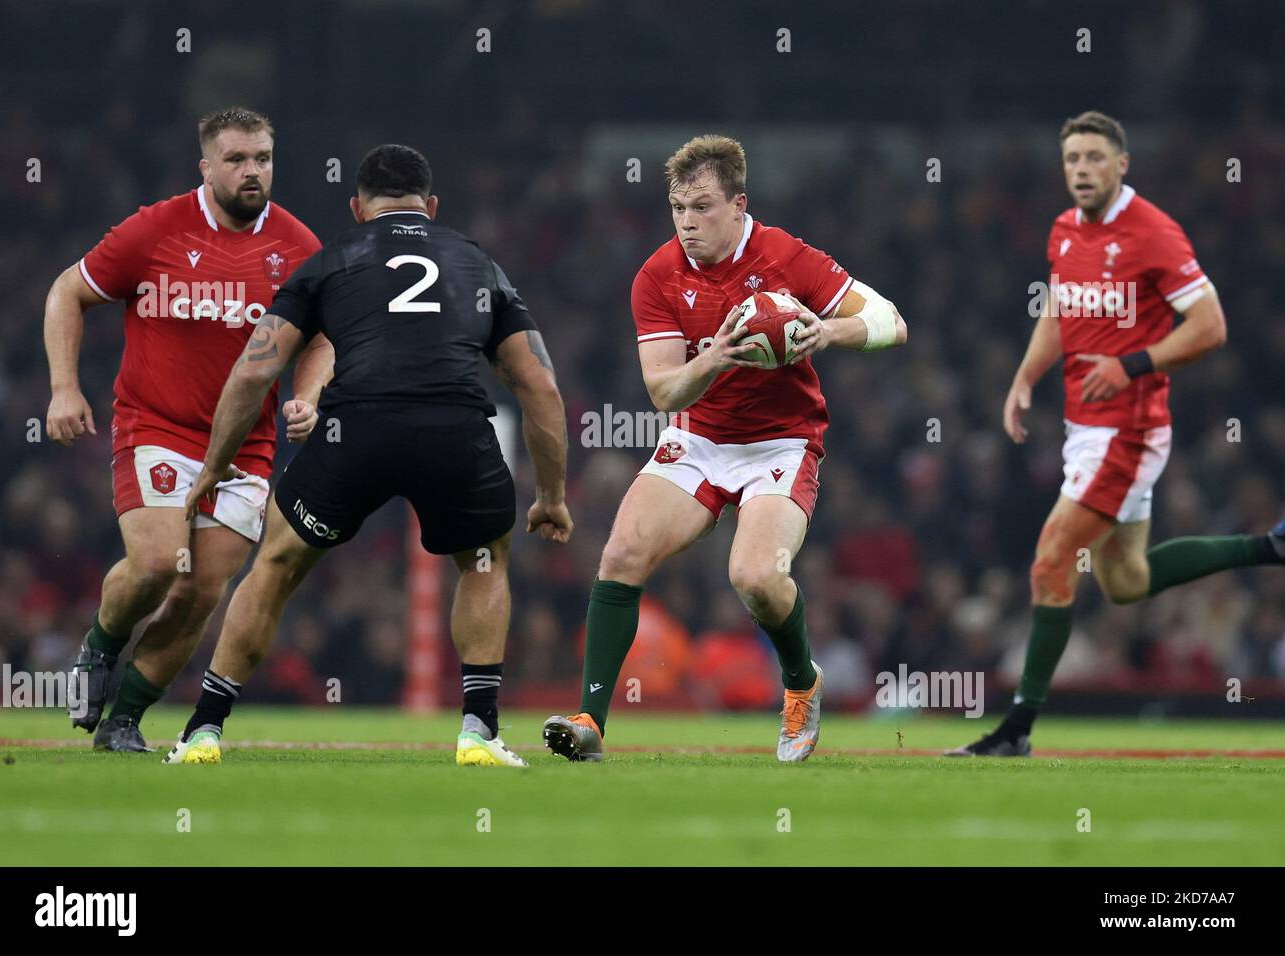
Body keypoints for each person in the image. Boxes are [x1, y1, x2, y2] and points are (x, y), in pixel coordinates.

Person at [165, 144, 571, 767]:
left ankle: (204, 730)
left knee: (275, 564)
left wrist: (215, 468)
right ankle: (478, 733)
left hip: (353, 431)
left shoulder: (329, 262)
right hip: (455, 430)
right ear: (431, 208)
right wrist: (552, 496)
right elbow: (538, 384)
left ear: (357, 209)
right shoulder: (478, 263)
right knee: (483, 563)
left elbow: (252, 375)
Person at [543, 134, 906, 763]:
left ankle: (800, 682)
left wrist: (827, 329)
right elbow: (662, 391)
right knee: (622, 551)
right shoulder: (657, 275)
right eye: (679, 208)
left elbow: (892, 322)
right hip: (700, 439)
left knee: (756, 578)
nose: (688, 223)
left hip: (782, 443)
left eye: (703, 207)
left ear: (739, 204)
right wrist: (711, 359)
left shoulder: (786, 256)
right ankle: (590, 722)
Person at [947, 111, 1283, 756]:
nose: (1081, 170)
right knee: (1125, 581)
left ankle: (1016, 729)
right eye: (1072, 159)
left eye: (1095, 158)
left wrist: (1133, 364)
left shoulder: (1152, 232)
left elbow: (1210, 325)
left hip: (1129, 430)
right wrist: (1024, 377)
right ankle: (1269, 549)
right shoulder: (1065, 230)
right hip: (1084, 427)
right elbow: (1058, 307)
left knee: (1051, 560)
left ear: (1122, 164)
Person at [46, 107, 330, 752]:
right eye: (236, 159)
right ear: (206, 166)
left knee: (199, 593)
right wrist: (65, 387)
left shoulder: (298, 247)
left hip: (245, 445)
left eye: (261, 157)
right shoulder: (155, 229)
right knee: (154, 565)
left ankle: (124, 721)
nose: (251, 170)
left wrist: (309, 395)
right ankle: (99, 645)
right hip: (158, 425)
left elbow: (320, 338)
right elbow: (68, 291)